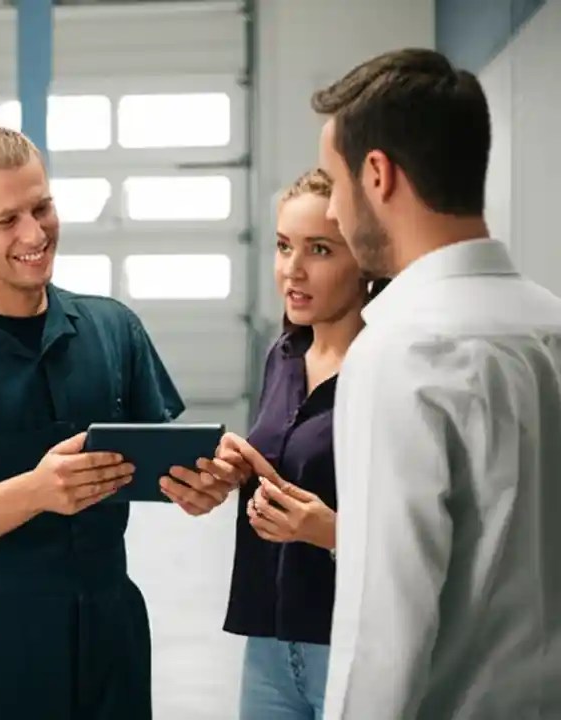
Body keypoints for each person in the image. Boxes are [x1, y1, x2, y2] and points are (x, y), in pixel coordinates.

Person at [0, 124, 202, 720]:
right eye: (6, 221)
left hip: (108, 640)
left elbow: (161, 465)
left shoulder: (113, 331)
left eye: (41, 207)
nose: (35, 234)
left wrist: (202, 481)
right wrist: (36, 492)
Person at [310, 48, 561, 718]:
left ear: (377, 174)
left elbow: (383, 631)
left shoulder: (399, 352)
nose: (332, 212)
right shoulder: (551, 325)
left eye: (333, 184)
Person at [162, 168, 386, 719]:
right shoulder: (283, 357)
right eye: (284, 246)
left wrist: (328, 531)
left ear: (366, 262)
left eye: (319, 249)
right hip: (269, 641)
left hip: (355, 644)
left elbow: (429, 529)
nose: (293, 269)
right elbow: (297, 462)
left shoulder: (389, 371)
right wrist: (241, 466)